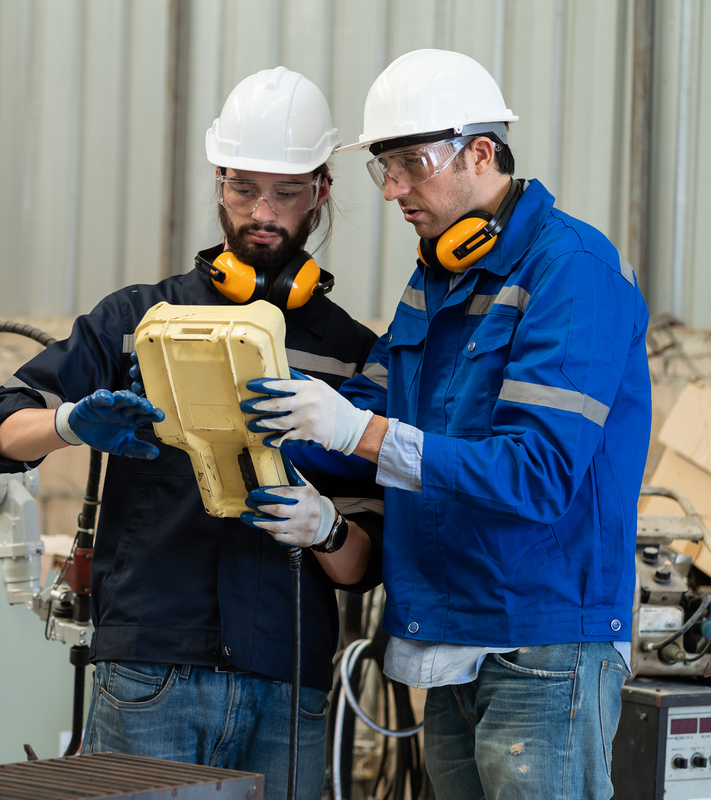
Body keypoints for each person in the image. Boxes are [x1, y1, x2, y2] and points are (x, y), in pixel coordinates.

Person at [242, 49, 650, 799]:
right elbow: (358, 423)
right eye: (383, 169)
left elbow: (537, 473)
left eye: (410, 165)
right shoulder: (436, 278)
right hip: (447, 627)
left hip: (544, 638)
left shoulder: (574, 272)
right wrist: (243, 428)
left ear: (481, 152)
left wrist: (353, 432)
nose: (393, 190)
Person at [0, 67, 384, 797]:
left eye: (286, 192)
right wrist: (70, 423)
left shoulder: (354, 355)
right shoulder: (137, 321)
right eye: (242, 188)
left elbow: (364, 563)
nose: (262, 211)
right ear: (218, 182)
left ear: (321, 192)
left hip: (285, 686)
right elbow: (0, 428)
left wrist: (325, 530)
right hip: (147, 674)